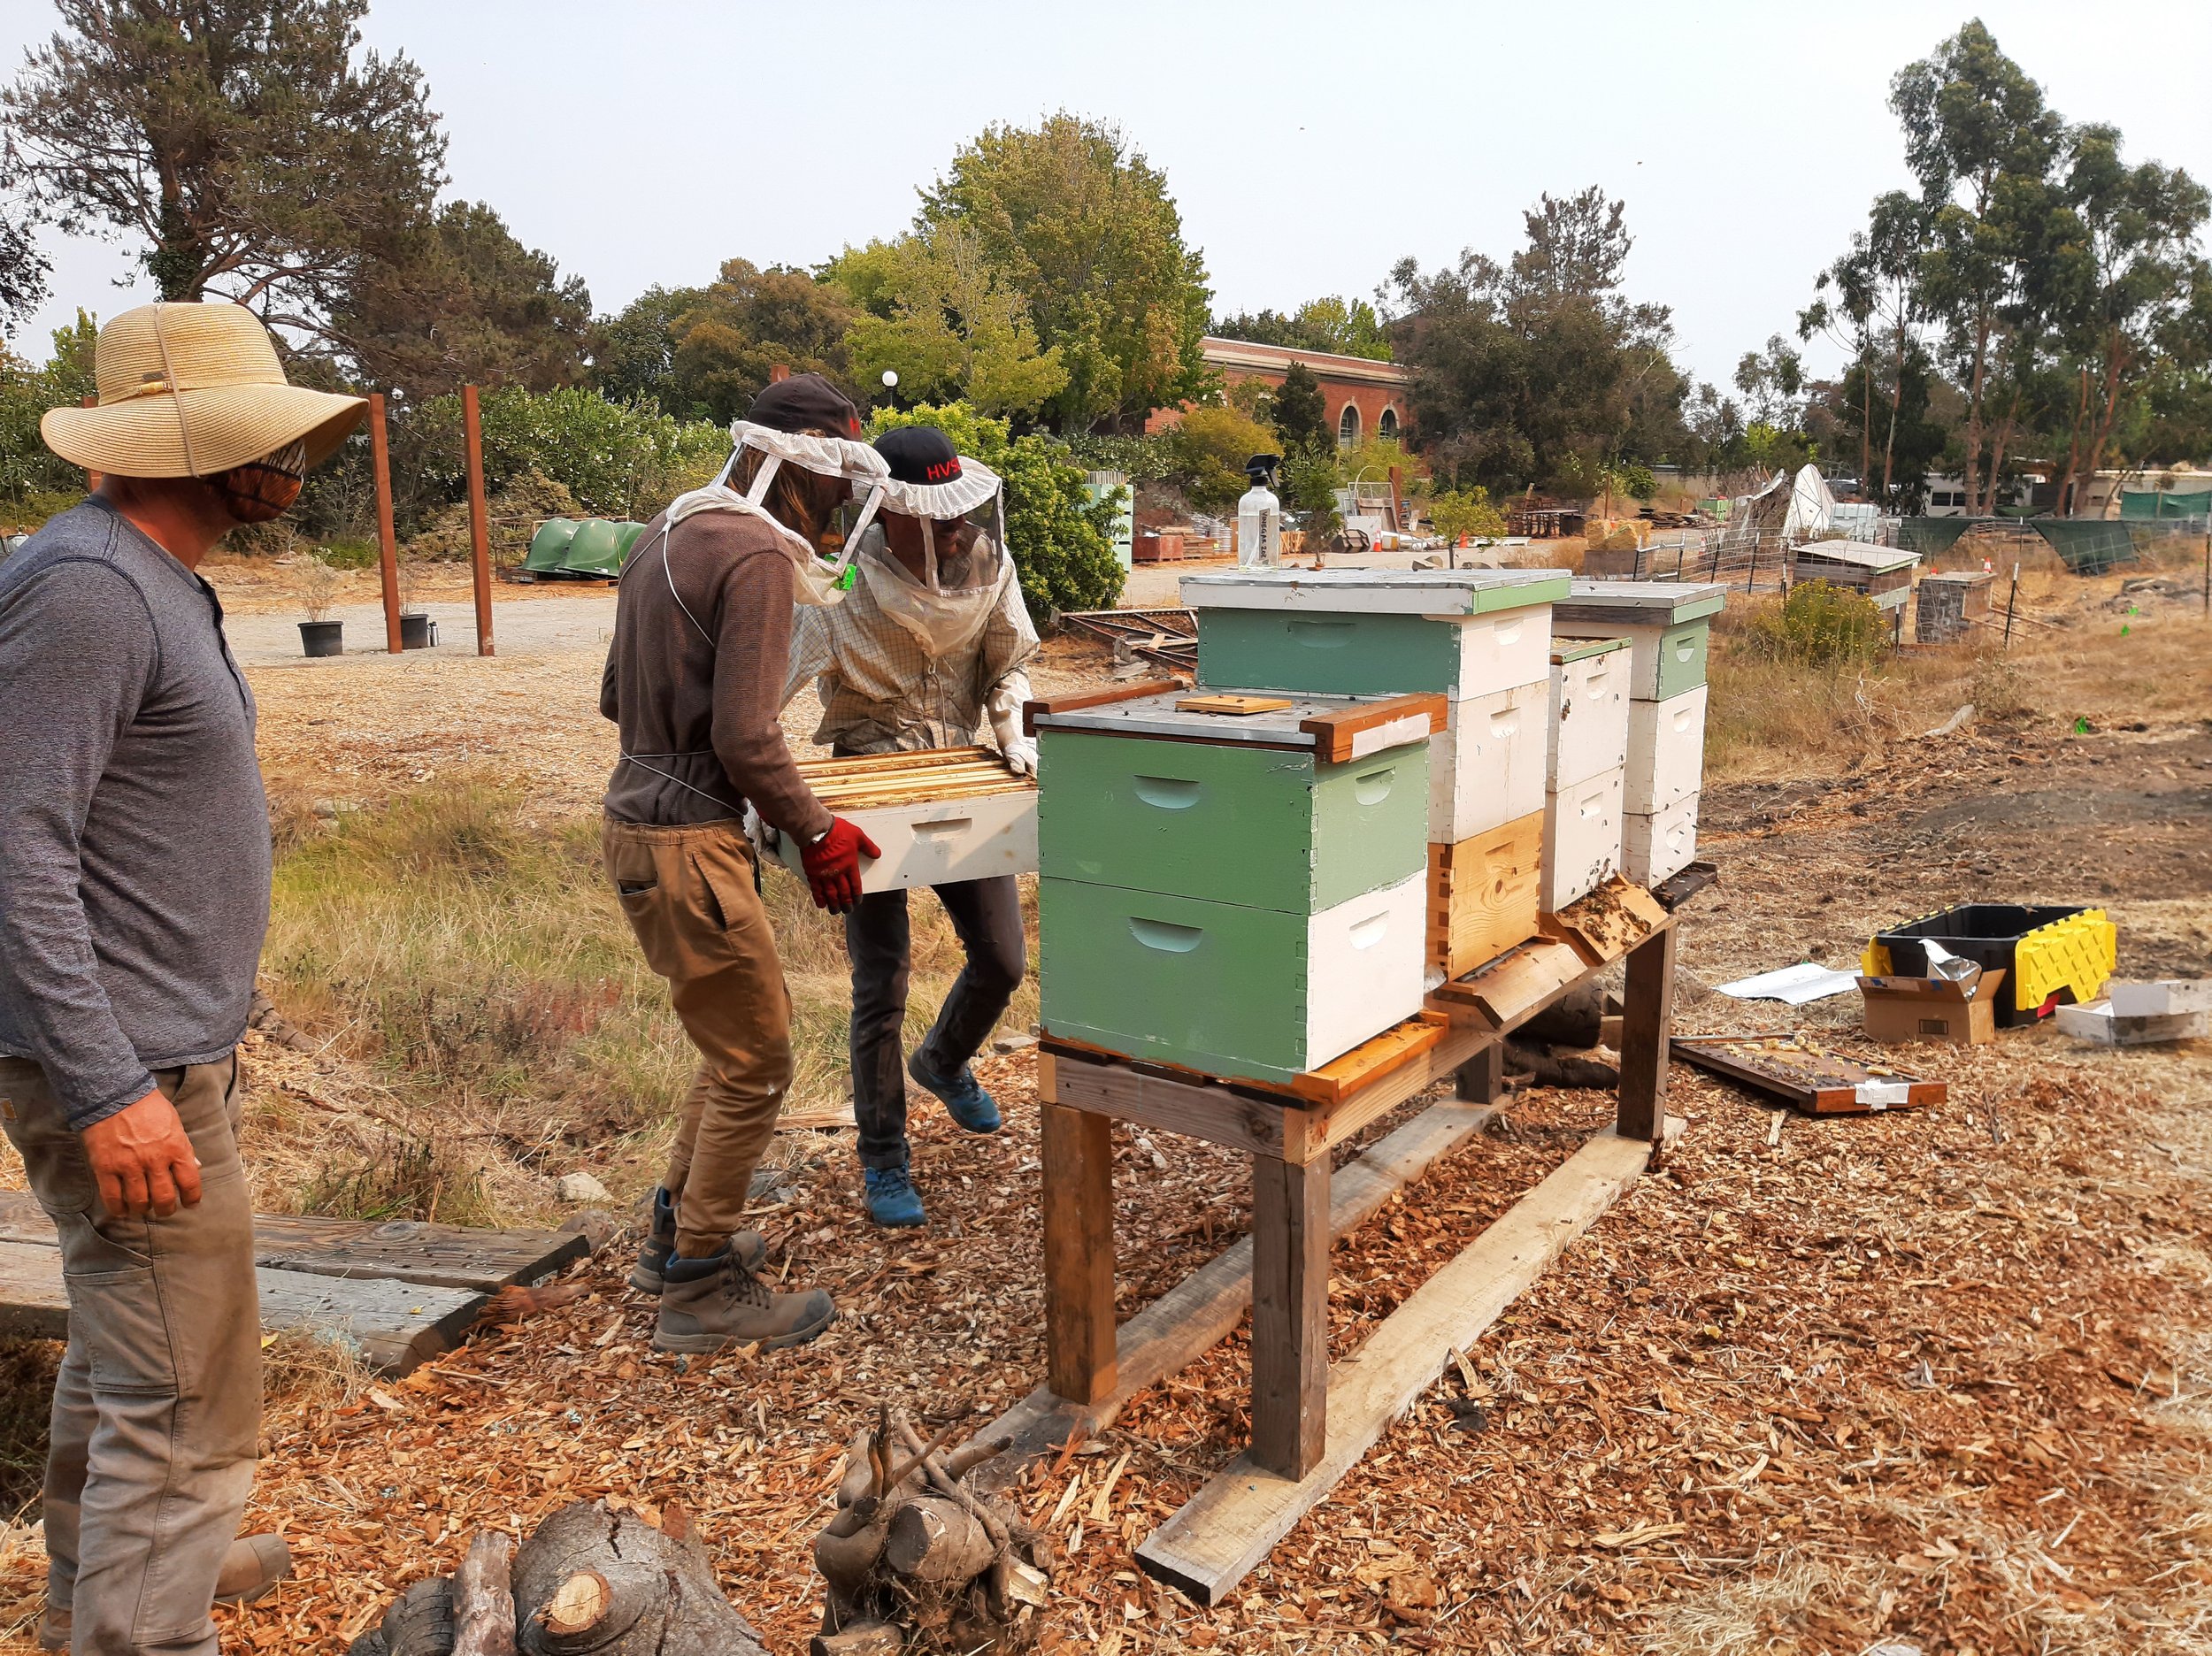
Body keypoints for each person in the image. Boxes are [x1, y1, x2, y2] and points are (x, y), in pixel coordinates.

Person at [0, 301, 366, 1654]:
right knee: (191, 1406)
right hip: (121, 1069)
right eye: (264, 439)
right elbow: (14, 842)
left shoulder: (145, 576)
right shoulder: (90, 588)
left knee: (124, 1356)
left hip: (151, 1051)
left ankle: (84, 1601)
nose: (288, 464)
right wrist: (108, 1084)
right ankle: (144, 1623)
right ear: (185, 449)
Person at [604, 373, 890, 1353]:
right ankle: (698, 1289)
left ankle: (674, 1233)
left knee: (728, 1048)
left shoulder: (669, 530)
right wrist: (814, 830)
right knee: (760, 1060)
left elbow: (616, 697)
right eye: (833, 484)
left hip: (640, 822)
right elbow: (745, 734)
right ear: (796, 466)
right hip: (687, 842)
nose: (835, 506)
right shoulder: (756, 553)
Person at [783, 426, 1038, 1228]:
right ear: (886, 511)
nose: (954, 531)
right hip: (868, 771)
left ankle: (945, 1060)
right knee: (882, 980)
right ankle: (884, 1157)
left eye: (959, 514)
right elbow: (771, 681)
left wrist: (1013, 726)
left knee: (1001, 957)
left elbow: (1010, 662)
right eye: (935, 518)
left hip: (961, 764)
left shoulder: (989, 565)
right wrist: (765, 788)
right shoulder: (840, 578)